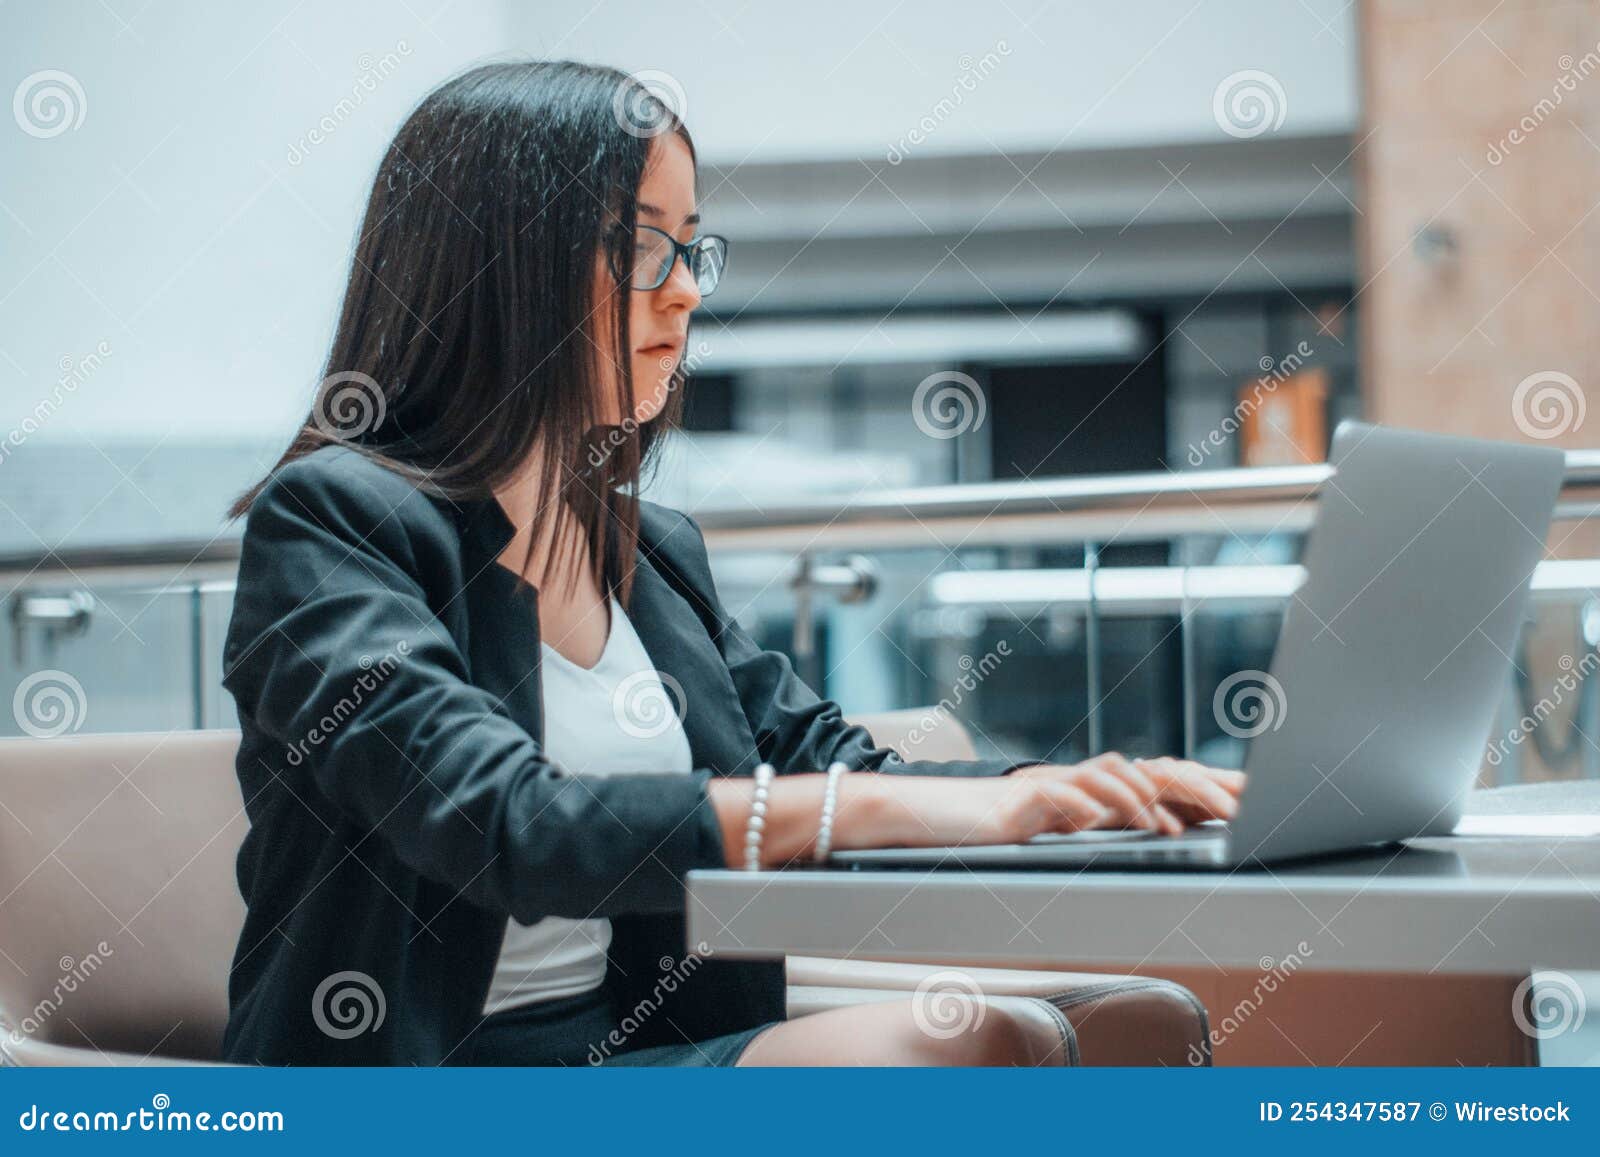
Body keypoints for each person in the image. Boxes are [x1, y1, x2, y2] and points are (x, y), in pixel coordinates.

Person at [220, 59, 1244, 1068]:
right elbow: (506, 824)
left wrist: (1076, 792)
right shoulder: (331, 526)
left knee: (1082, 1030)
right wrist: (875, 806)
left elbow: (826, 766)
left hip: (628, 1057)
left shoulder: (646, 550)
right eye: (643, 248)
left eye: (692, 249)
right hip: (418, 1080)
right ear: (502, 262)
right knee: (972, 1042)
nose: (684, 294)